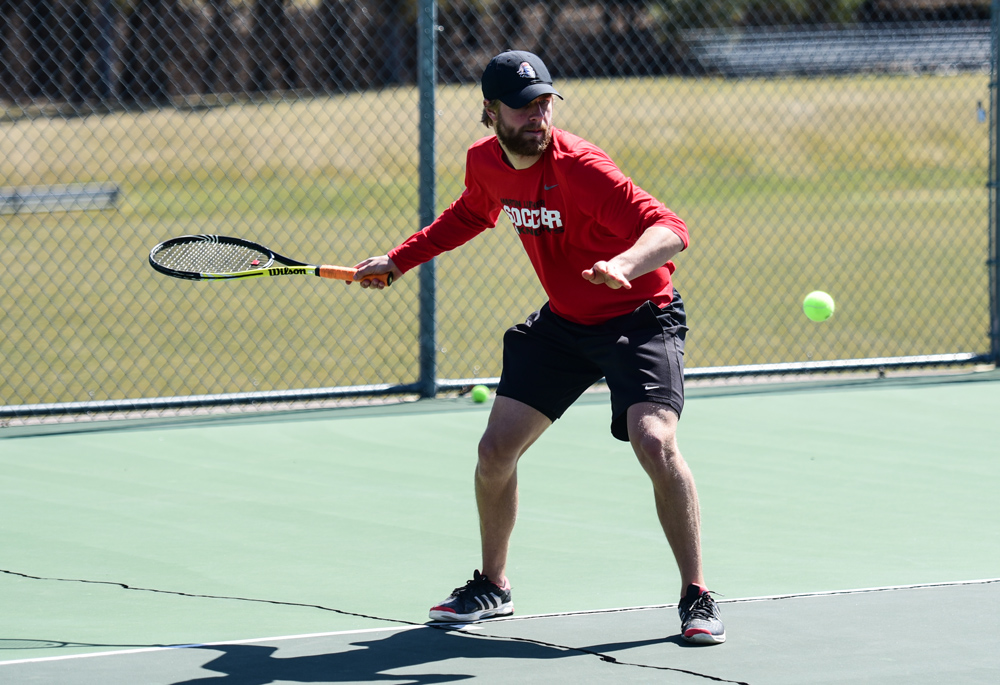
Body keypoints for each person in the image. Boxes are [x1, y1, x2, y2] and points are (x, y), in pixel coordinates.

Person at [352, 50, 725, 645]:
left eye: (545, 102)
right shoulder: (486, 161)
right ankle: (493, 587)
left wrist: (625, 264)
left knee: (653, 442)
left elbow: (671, 227)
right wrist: (398, 260)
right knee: (495, 450)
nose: (537, 114)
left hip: (639, 317)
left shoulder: (581, 167)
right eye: (524, 106)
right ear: (490, 111)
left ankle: (697, 595)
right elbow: (471, 214)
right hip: (565, 324)